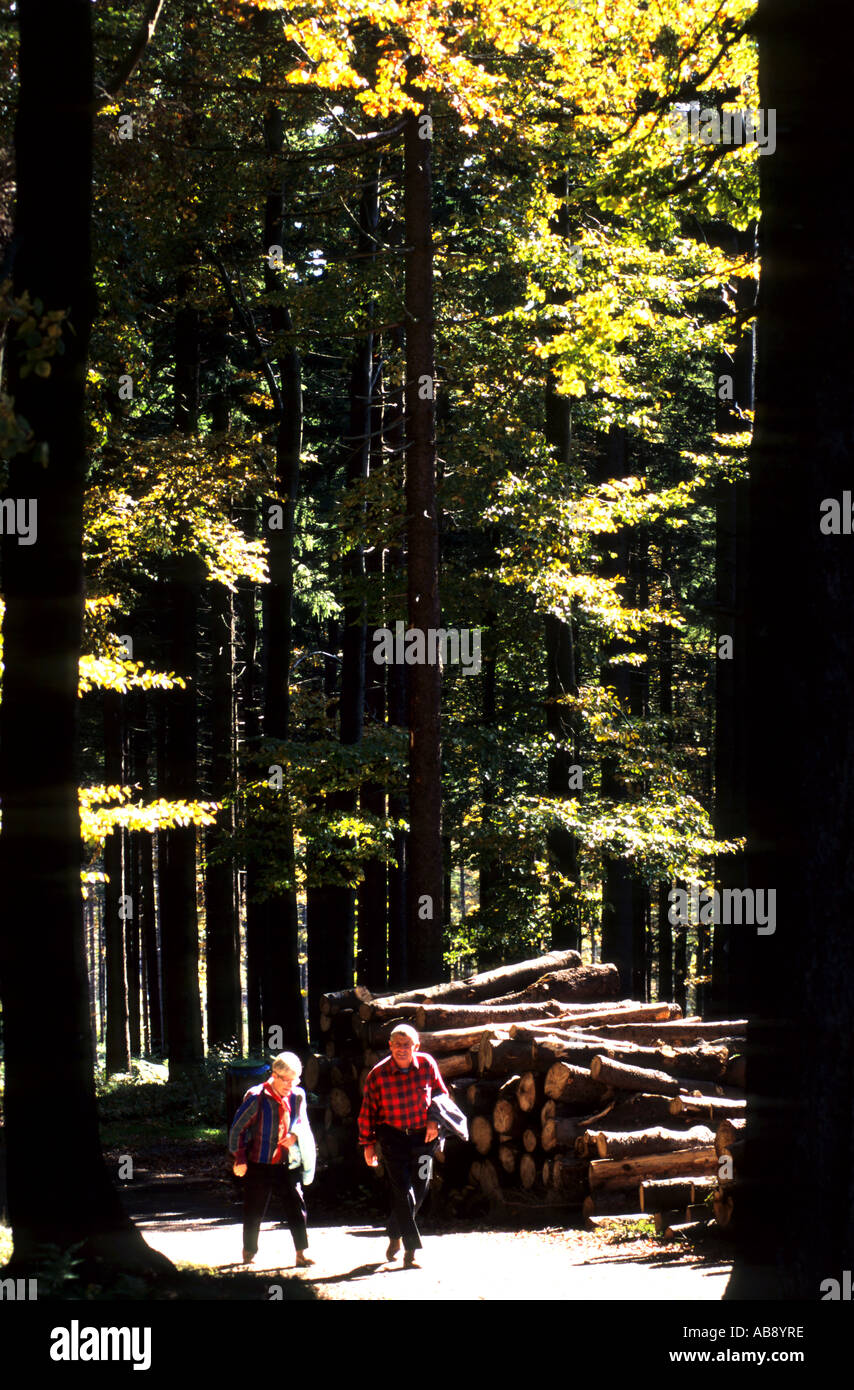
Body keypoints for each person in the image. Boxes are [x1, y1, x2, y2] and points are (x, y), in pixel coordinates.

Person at [358, 1023, 448, 1268]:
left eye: (406, 1044)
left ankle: (394, 1230)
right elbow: (367, 1112)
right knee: (402, 1189)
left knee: (420, 1187)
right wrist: (367, 1144)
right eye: (397, 1044)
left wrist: (433, 1120)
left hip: (424, 1138)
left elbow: (441, 1095)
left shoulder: (427, 1064)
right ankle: (411, 1250)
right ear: (390, 1046)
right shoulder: (377, 1074)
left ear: (415, 1046)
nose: (401, 1049)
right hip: (393, 1139)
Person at [228, 1051, 317, 1268]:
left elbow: (301, 1123)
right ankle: (249, 1252)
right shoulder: (256, 1097)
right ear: (274, 1075)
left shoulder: (297, 1096)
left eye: (294, 1079)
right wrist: (239, 1157)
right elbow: (237, 1129)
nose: (290, 1084)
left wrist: (294, 1135)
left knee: (296, 1206)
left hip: (287, 1163)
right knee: (254, 1208)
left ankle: (301, 1253)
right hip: (260, 1162)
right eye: (285, 1079)